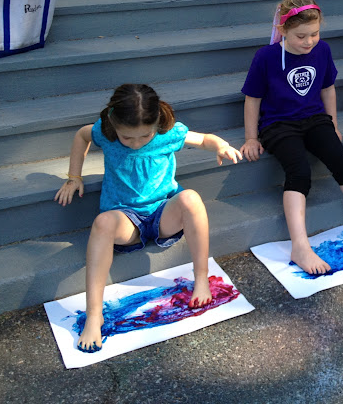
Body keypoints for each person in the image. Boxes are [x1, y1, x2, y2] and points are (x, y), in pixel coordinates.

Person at [54, 83, 242, 353]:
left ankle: (201, 277)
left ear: (156, 123)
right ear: (113, 123)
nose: (136, 143)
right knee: (102, 223)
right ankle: (95, 314)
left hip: (164, 213)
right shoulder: (104, 132)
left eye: (144, 136)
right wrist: (74, 177)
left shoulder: (168, 133)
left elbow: (203, 139)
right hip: (125, 219)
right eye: (127, 138)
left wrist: (221, 145)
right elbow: (82, 136)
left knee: (191, 198)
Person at [239, 0, 343, 276]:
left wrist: (332, 123)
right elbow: (253, 99)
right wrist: (251, 137)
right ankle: (300, 245)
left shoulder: (322, 51)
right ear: (283, 30)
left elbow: (327, 88)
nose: (309, 41)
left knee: (342, 162)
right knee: (299, 171)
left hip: (315, 119)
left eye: (314, 33)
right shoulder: (266, 57)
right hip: (278, 124)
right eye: (301, 36)